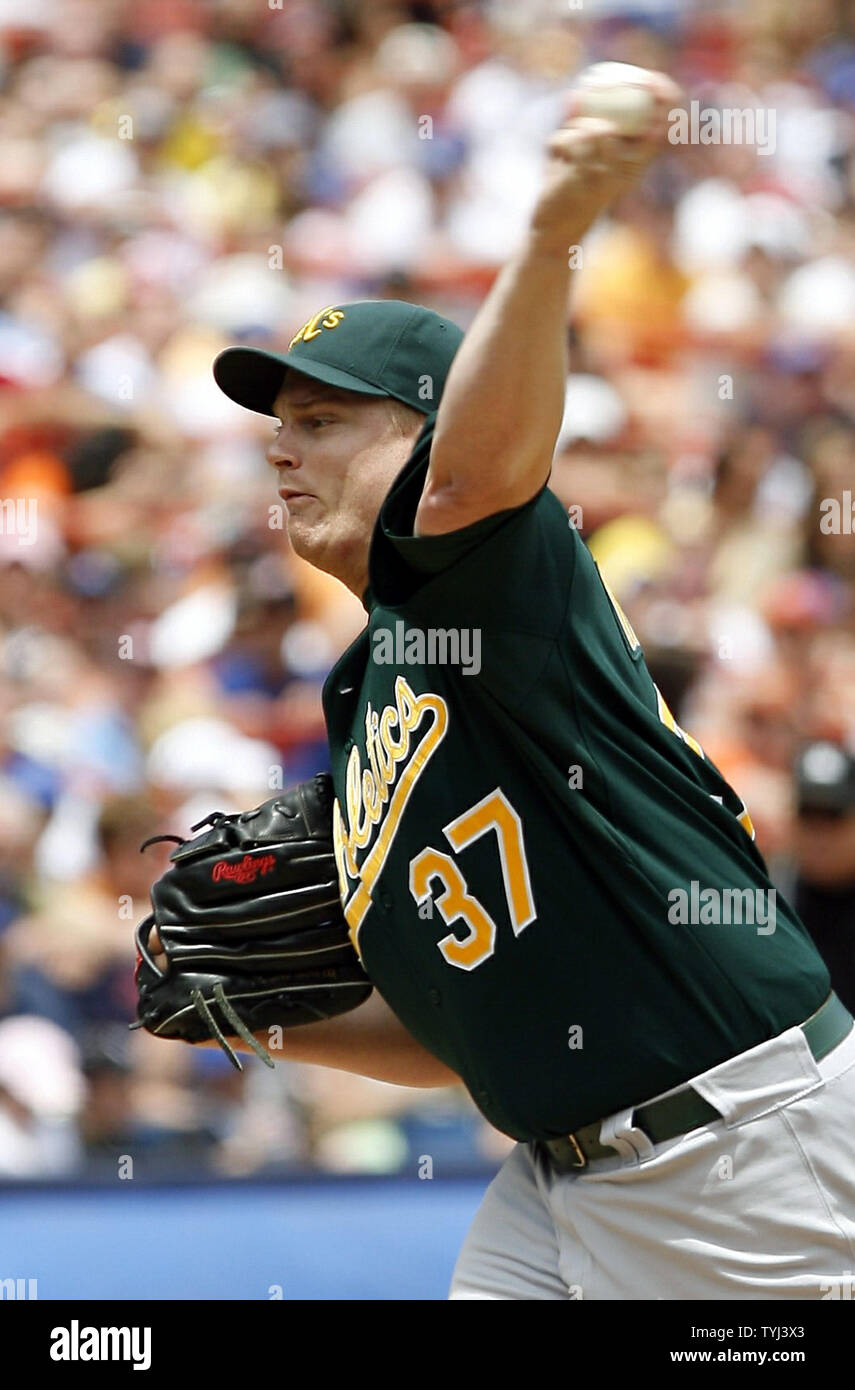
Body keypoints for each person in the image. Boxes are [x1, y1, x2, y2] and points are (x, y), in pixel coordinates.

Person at [200, 74, 855, 1299]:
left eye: (327, 419)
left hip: (738, 1150)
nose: (281, 444)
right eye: (278, 421)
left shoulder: (489, 579)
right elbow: (459, 1031)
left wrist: (553, 234)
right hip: (558, 1178)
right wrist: (249, 1016)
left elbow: (482, 474)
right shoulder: (366, 694)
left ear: (430, 433)